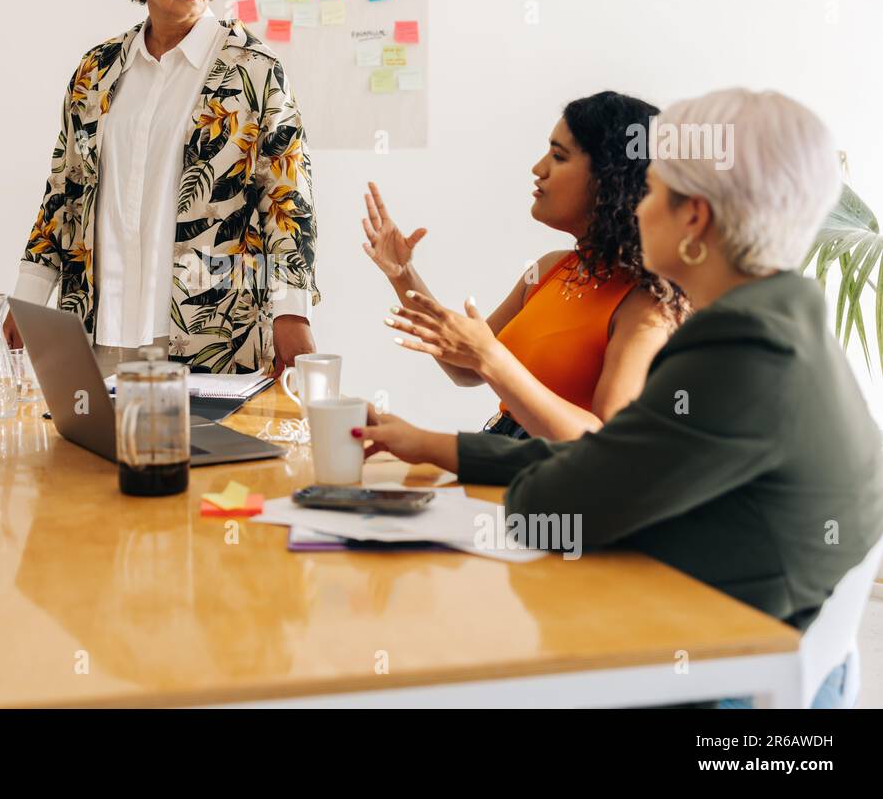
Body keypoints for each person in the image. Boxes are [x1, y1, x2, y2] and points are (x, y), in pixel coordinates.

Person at [355, 89, 883, 704]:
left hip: (718, 689)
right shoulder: (784, 325)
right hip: (751, 652)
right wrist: (432, 444)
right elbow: (622, 458)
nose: (639, 205)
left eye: (654, 189)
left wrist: (517, 469)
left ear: (696, 218)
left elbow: (561, 499)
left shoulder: (736, 347)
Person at [6, 0, 320, 377]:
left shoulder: (254, 69)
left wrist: (291, 310)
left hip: (212, 329)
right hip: (97, 326)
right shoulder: (97, 70)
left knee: (208, 455)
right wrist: (29, 296)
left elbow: (286, 197)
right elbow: (63, 189)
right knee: (94, 455)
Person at [364, 92, 686, 441]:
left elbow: (610, 443)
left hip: (560, 482)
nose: (538, 169)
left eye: (559, 156)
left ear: (611, 180)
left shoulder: (649, 303)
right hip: (504, 455)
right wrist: (402, 273)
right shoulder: (550, 270)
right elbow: (465, 367)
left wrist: (491, 358)